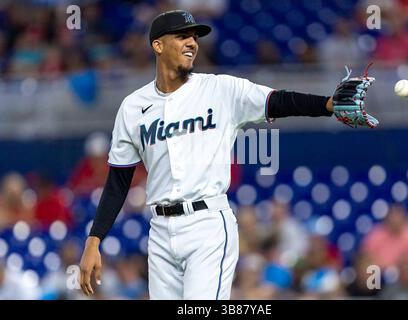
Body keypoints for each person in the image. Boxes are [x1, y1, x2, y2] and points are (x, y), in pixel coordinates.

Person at [79, 9, 378, 300]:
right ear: (158, 45)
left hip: (207, 223)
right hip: (158, 230)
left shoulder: (220, 89)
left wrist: (327, 105)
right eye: (182, 36)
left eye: (194, 37)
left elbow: (278, 101)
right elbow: (118, 182)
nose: (192, 43)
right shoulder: (133, 107)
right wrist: (95, 240)